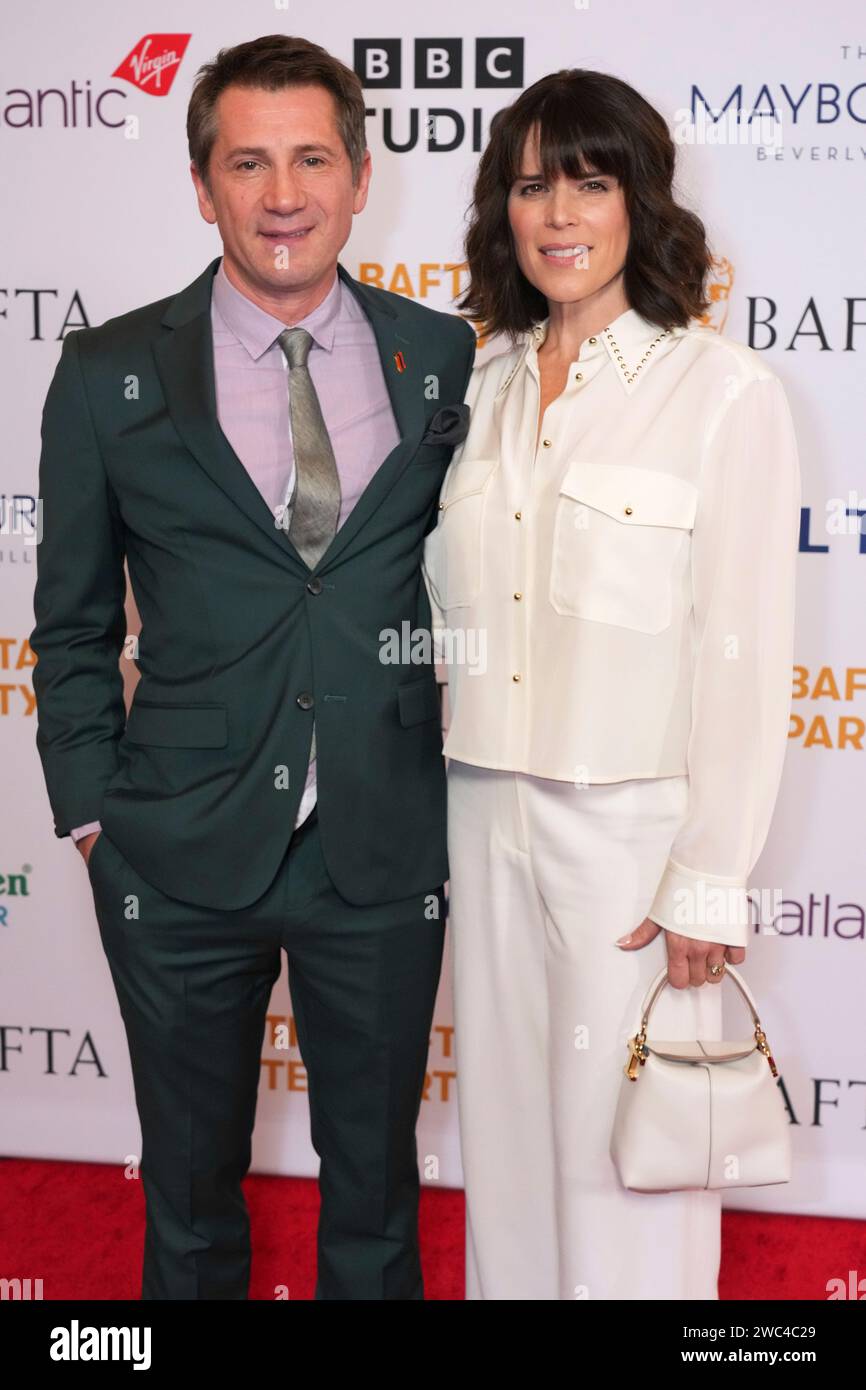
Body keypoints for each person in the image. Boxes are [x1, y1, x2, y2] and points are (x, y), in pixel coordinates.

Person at [30, 33, 474, 1300]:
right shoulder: (109, 369)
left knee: (376, 1199)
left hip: (382, 854)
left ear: (360, 175)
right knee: (185, 1198)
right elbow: (67, 627)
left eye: (312, 159)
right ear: (202, 184)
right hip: (172, 857)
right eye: (249, 163)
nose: (284, 194)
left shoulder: (441, 358)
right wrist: (94, 816)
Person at [422, 68, 801, 1300]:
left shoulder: (719, 393)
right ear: (502, 207)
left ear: (639, 199)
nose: (558, 212)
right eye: (531, 183)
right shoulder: (470, 389)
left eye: (588, 179)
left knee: (626, 1167)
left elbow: (739, 649)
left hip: (627, 838)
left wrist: (707, 876)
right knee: (508, 1158)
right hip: (480, 813)